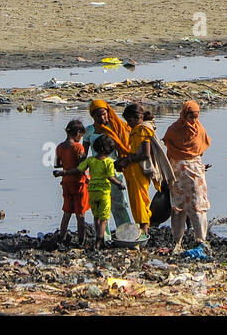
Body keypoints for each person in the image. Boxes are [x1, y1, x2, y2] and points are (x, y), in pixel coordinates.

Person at [162, 100, 211, 254]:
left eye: (195, 117)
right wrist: (165, 174)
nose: (193, 120)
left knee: (197, 206)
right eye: (190, 116)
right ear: (184, 114)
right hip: (177, 175)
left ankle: (200, 240)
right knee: (178, 207)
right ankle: (177, 241)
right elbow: (168, 153)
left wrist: (200, 167)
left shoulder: (199, 130)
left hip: (195, 175)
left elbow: (200, 152)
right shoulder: (174, 130)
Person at [86, 99, 133, 230]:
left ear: (108, 112)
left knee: (119, 204)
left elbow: (126, 147)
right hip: (96, 172)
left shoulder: (117, 127)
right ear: (93, 116)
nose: (102, 117)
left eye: (104, 114)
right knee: (100, 205)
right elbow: (83, 154)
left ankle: (125, 232)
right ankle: (103, 236)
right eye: (98, 115)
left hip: (115, 170)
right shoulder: (89, 131)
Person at [119, 101, 165, 231]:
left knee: (140, 202)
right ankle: (142, 229)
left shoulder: (141, 130)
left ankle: (143, 230)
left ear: (138, 118)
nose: (128, 124)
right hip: (134, 171)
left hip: (137, 171)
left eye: (129, 120)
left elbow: (145, 154)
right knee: (137, 201)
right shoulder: (137, 130)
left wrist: (128, 160)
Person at [76, 134, 124, 247]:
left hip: (92, 191)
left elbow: (79, 169)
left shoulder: (91, 160)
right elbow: (110, 177)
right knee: (104, 219)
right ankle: (99, 241)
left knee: (96, 217)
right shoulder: (108, 162)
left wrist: (65, 172)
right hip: (104, 192)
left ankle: (99, 238)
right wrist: (119, 184)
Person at [51, 119, 89, 246]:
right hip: (78, 183)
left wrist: (66, 168)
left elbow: (57, 164)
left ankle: (61, 237)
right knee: (80, 214)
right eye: (81, 135)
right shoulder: (79, 147)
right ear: (78, 132)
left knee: (67, 212)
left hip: (66, 183)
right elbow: (82, 166)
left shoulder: (60, 147)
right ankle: (81, 240)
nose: (81, 138)